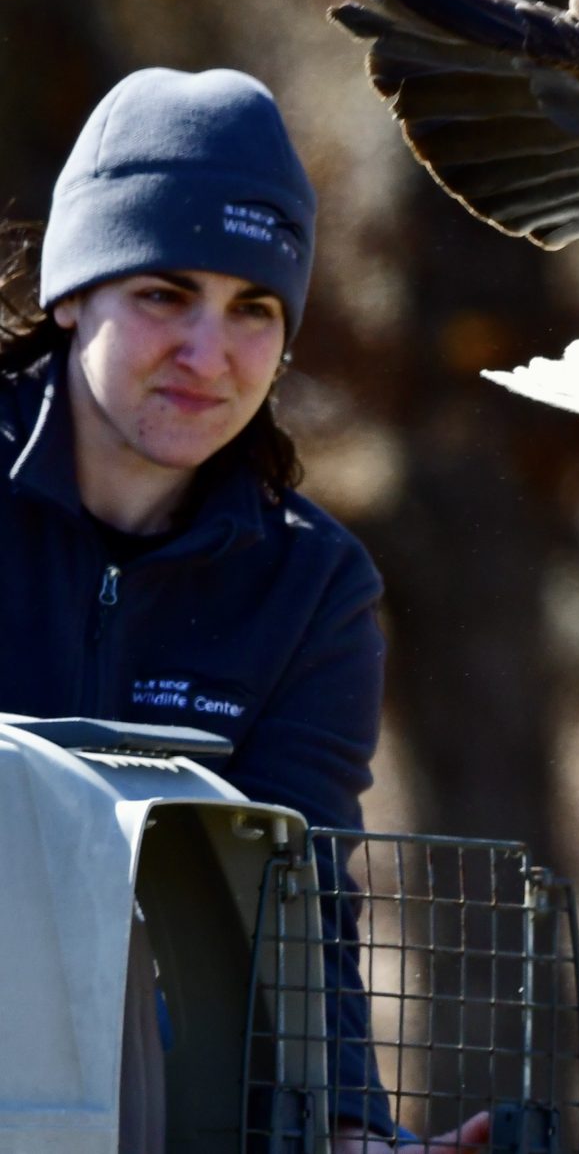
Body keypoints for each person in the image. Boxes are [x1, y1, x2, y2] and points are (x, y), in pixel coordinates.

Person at [0, 67, 487, 1153]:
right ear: (72, 292)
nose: (210, 355)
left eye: (254, 309)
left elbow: (296, 903)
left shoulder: (313, 590)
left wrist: (352, 1129)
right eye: (166, 294)